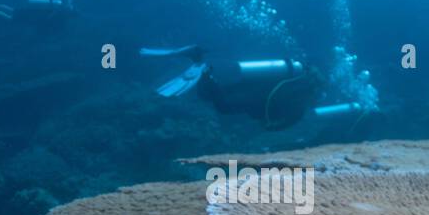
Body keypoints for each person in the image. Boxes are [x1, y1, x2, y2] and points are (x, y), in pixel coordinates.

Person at [140, 46, 363, 131]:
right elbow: (289, 119)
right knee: (224, 106)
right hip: (261, 97)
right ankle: (203, 68)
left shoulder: (301, 82)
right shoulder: (305, 94)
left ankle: (202, 66)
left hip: (259, 86)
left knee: (218, 96)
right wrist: (269, 126)